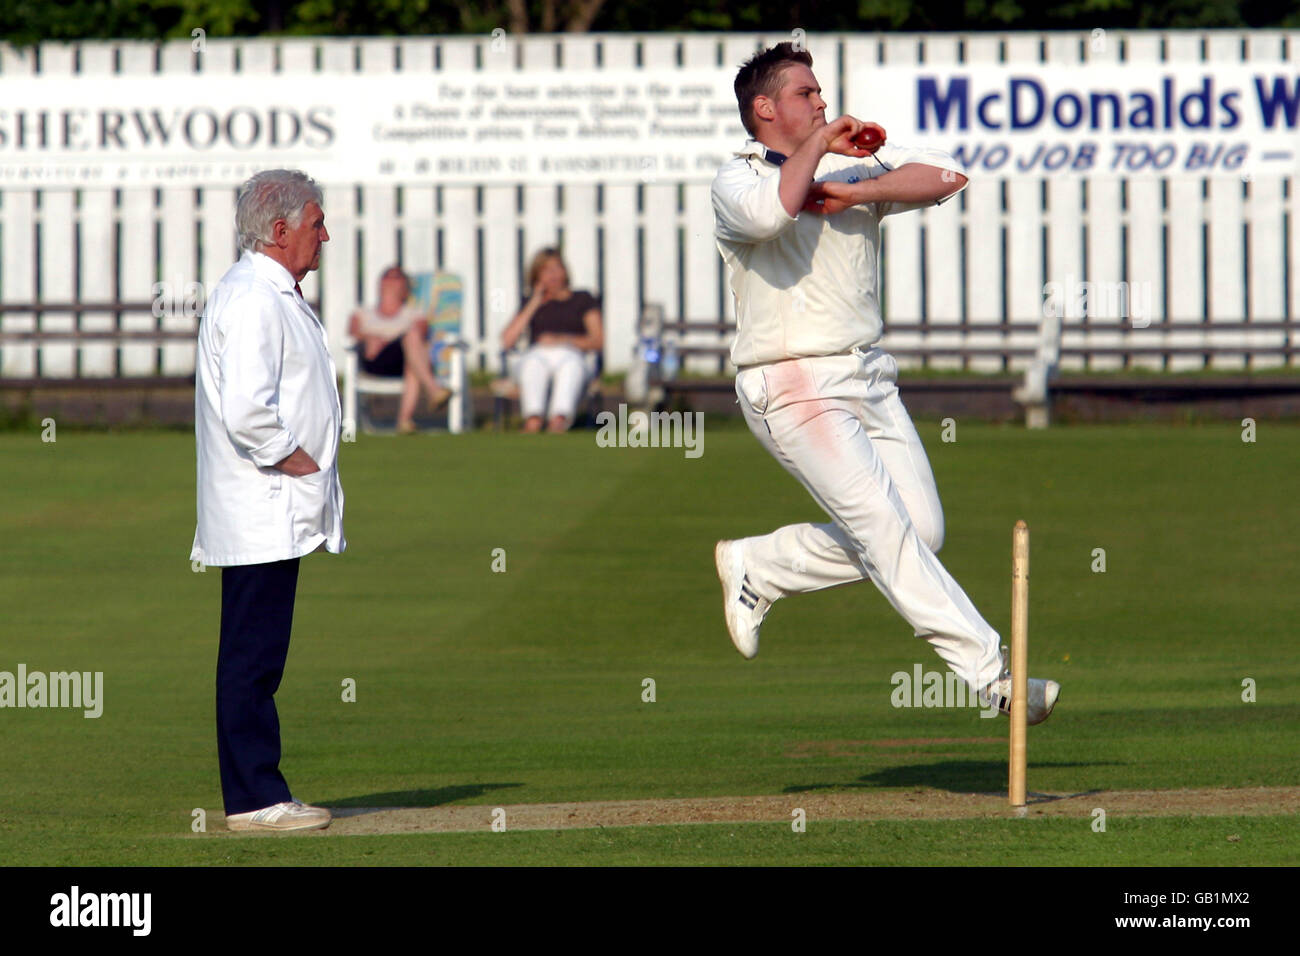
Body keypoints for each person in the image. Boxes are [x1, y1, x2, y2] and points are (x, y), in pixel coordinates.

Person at [710, 43, 1060, 724]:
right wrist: (819, 152)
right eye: (806, 93)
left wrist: (858, 189)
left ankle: (764, 565)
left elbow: (948, 176)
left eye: (819, 92)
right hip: (791, 382)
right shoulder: (737, 176)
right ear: (765, 108)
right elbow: (771, 213)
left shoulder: (848, 162)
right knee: (884, 529)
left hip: (866, 375)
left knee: (920, 531)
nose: (820, 101)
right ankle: (996, 681)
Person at [191, 169, 344, 832]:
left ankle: (254, 791)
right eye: (315, 223)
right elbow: (249, 411)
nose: (326, 234)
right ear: (279, 230)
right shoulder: (254, 296)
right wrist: (302, 461)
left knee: (256, 653)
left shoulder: (268, 290)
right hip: (263, 502)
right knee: (252, 657)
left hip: (270, 503)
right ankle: (256, 798)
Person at [500, 247, 603, 433]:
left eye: (557, 268)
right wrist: (535, 301)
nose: (553, 275)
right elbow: (507, 341)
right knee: (533, 364)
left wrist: (562, 339)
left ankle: (559, 419)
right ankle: (533, 419)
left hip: (572, 353)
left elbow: (597, 340)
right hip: (538, 353)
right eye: (546, 270)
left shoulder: (582, 299)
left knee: (570, 366)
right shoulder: (531, 302)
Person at [348, 265, 451, 434]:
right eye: (387, 276)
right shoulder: (362, 313)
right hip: (375, 360)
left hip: (404, 358)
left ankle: (404, 422)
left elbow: (421, 334)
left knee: (412, 347)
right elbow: (353, 334)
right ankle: (434, 390)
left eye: (397, 277)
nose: (390, 281)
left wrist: (380, 337)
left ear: (405, 288)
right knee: (413, 350)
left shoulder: (414, 313)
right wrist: (369, 338)